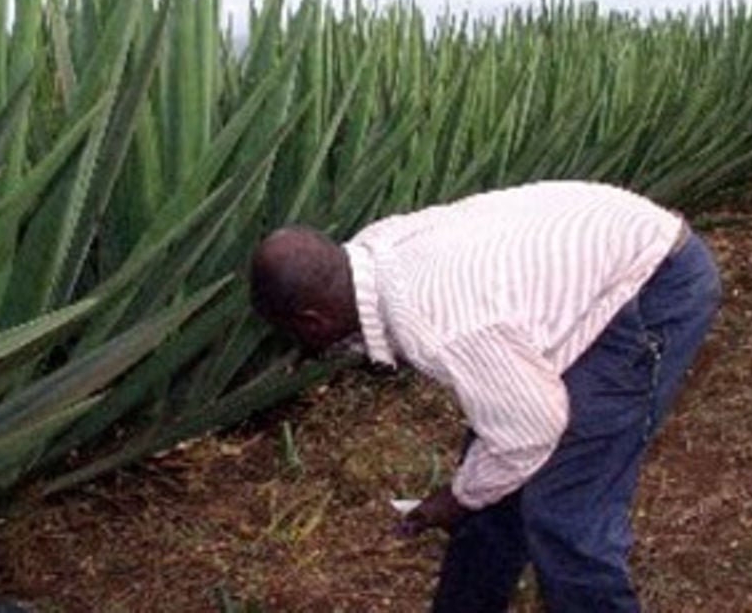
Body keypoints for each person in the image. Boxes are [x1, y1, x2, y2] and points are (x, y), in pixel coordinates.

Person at [248, 180, 722, 612]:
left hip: (650, 285)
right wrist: (472, 491)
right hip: (592, 262)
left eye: (295, 335)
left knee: (564, 512)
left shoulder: (439, 324)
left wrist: (455, 498)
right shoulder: (373, 251)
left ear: (313, 321)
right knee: (494, 471)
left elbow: (530, 432)